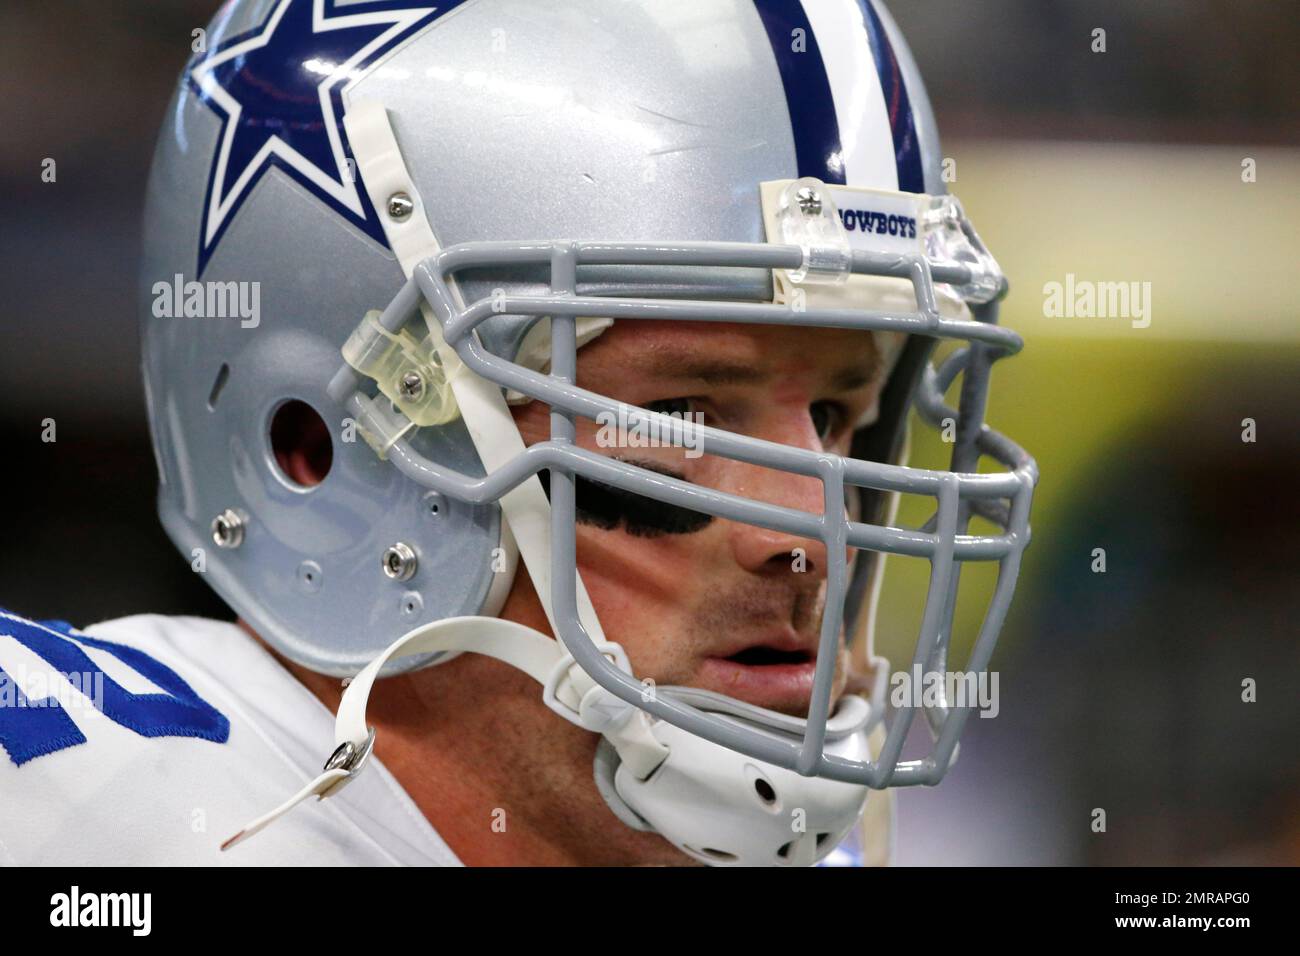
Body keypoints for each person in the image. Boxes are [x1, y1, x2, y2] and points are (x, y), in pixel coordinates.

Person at [0, 0, 1035, 867]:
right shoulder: (80, 801)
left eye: (839, 415)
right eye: (678, 415)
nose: (815, 530)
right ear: (314, 453)